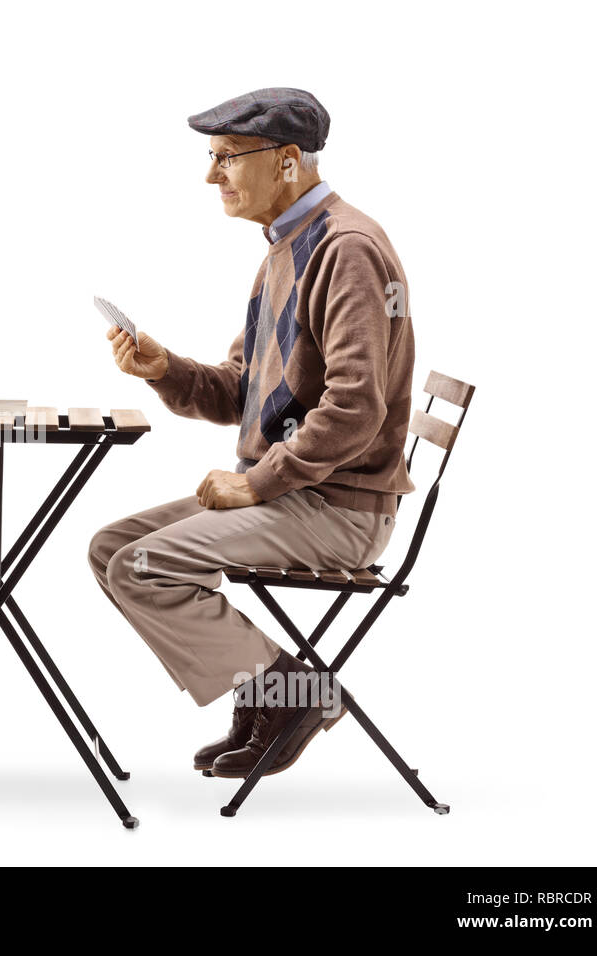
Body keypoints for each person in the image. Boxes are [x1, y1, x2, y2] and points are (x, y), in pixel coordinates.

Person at [89, 88, 415, 780]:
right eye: (214, 159)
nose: (212, 178)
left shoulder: (346, 250)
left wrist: (257, 482)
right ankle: (272, 696)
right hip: (301, 495)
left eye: (228, 159)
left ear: (289, 161)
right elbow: (243, 389)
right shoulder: (286, 249)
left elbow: (357, 408)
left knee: (140, 567)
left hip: (338, 508)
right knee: (113, 549)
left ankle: (289, 697)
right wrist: (165, 369)